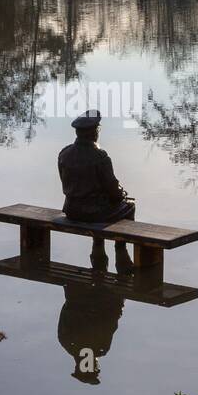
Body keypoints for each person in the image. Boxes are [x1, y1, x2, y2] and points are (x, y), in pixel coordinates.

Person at [58, 109, 136, 273]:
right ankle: (120, 249)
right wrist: (122, 194)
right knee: (129, 206)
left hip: (71, 210)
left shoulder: (64, 154)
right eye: (97, 130)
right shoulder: (100, 157)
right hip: (94, 213)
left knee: (103, 207)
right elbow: (113, 191)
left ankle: (97, 247)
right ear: (94, 133)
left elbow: (65, 183)